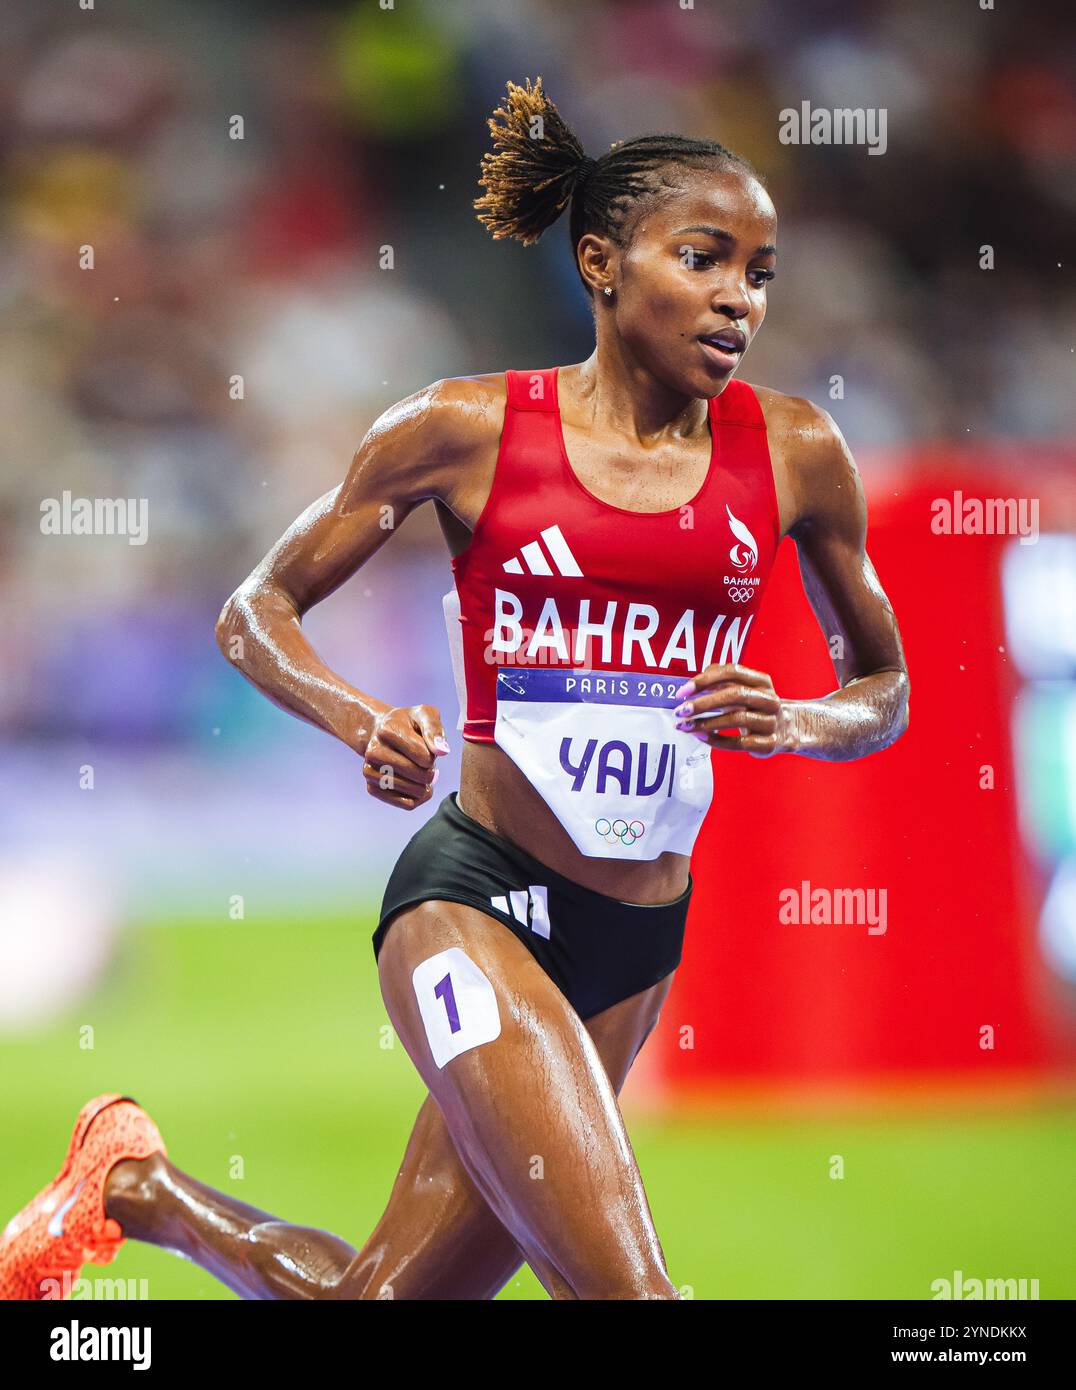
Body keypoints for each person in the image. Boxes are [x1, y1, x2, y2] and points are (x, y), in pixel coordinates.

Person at [1, 76, 909, 1302]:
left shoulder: (796, 451)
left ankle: (132, 1187)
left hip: (634, 943)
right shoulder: (467, 428)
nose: (736, 298)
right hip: (475, 904)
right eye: (702, 259)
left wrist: (797, 720)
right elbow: (251, 610)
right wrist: (359, 717)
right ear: (598, 262)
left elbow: (886, 686)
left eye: (758, 270)